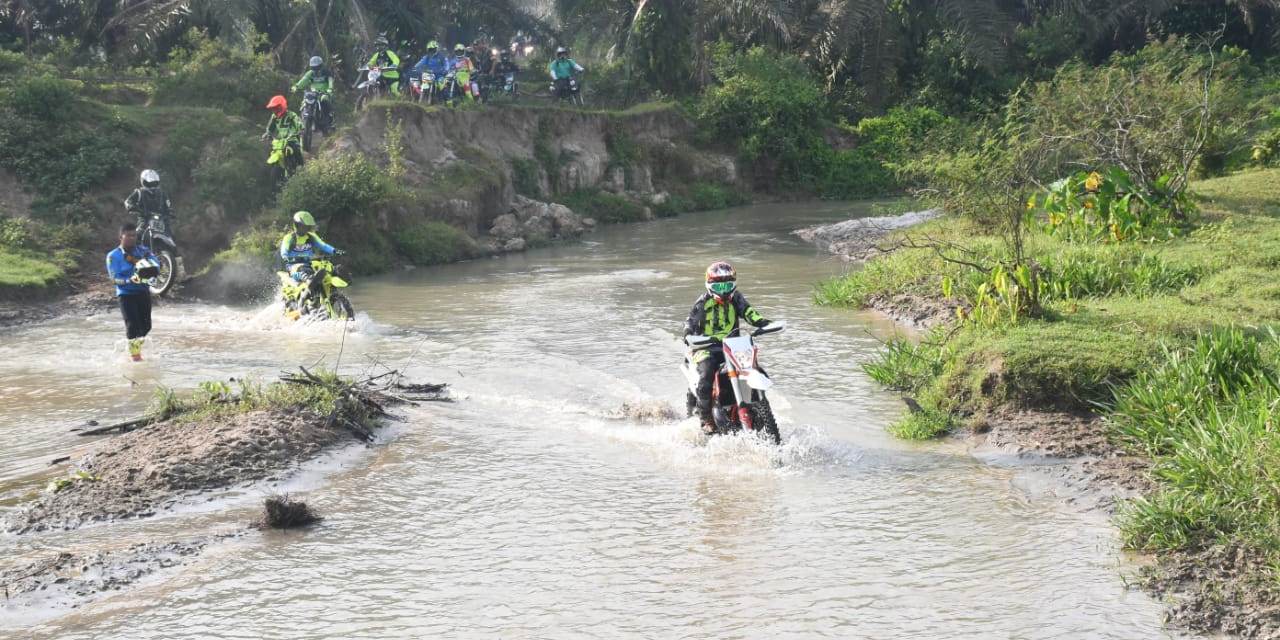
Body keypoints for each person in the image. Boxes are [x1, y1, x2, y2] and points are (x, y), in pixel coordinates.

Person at [683, 261, 771, 434]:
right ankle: (706, 418)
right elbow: (690, 321)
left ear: (734, 284)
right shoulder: (703, 302)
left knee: (758, 370)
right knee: (706, 375)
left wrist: (764, 323)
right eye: (719, 285)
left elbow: (749, 313)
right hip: (705, 347)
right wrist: (688, 334)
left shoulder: (736, 298)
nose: (723, 290)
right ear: (709, 284)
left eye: (727, 285)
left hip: (733, 346)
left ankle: (761, 408)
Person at [107, 224, 158, 362]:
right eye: (128, 235)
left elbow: (156, 263)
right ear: (120, 237)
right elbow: (114, 279)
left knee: (146, 326)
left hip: (143, 292)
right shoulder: (113, 256)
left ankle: (134, 348)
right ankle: (135, 357)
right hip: (126, 294)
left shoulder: (143, 251)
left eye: (134, 235)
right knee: (132, 325)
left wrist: (153, 270)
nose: (132, 238)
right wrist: (130, 280)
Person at [279, 211, 343, 283]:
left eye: (307, 226)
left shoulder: (311, 236)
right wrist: (285, 257)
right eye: (303, 226)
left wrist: (334, 250)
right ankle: (308, 281)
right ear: (297, 225)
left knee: (329, 268)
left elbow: (323, 246)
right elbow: (284, 249)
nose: (306, 229)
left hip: (309, 263)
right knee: (302, 271)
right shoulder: (289, 237)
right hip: (293, 264)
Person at [124, 169, 175, 243]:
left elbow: (168, 205)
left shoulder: (162, 193)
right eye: (150, 183)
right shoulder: (139, 192)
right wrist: (132, 207)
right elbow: (128, 201)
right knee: (135, 237)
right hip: (145, 220)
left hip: (161, 222)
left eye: (154, 183)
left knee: (172, 238)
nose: (152, 185)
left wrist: (170, 212)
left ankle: (173, 254)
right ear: (144, 181)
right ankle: (129, 254)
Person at [292, 55, 335, 131]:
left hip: (325, 92)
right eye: (313, 67)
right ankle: (303, 118)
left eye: (317, 67)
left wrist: (330, 89)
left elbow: (330, 81)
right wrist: (296, 86)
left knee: (324, 100)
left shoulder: (326, 72)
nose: (315, 69)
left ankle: (330, 118)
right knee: (305, 101)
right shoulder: (310, 73)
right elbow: (303, 80)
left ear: (321, 66)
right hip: (313, 93)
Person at [261, 95, 304, 165]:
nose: (274, 110)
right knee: (270, 151)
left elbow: (298, 122)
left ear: (281, 106)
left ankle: (301, 167)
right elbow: (270, 127)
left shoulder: (291, 115)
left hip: (292, 138)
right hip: (280, 140)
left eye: (276, 107)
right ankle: (271, 169)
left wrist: (301, 129)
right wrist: (267, 134)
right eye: (273, 108)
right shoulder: (274, 116)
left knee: (296, 150)